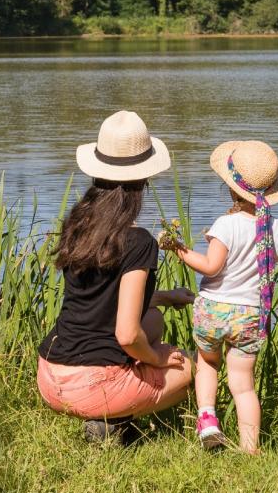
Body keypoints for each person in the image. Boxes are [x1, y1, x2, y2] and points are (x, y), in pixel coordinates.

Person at [37, 110, 196, 444]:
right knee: (187, 370)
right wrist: (159, 357)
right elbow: (125, 334)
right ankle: (112, 421)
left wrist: (166, 297)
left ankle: (112, 419)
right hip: (90, 387)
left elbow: (103, 300)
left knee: (153, 319)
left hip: (50, 374)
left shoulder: (78, 226)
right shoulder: (139, 242)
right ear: (143, 181)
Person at [167, 140, 278, 453]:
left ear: (231, 189)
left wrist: (181, 250)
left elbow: (211, 267)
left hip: (214, 311)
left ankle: (208, 421)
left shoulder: (225, 224)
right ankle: (250, 447)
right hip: (251, 317)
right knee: (243, 386)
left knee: (208, 365)